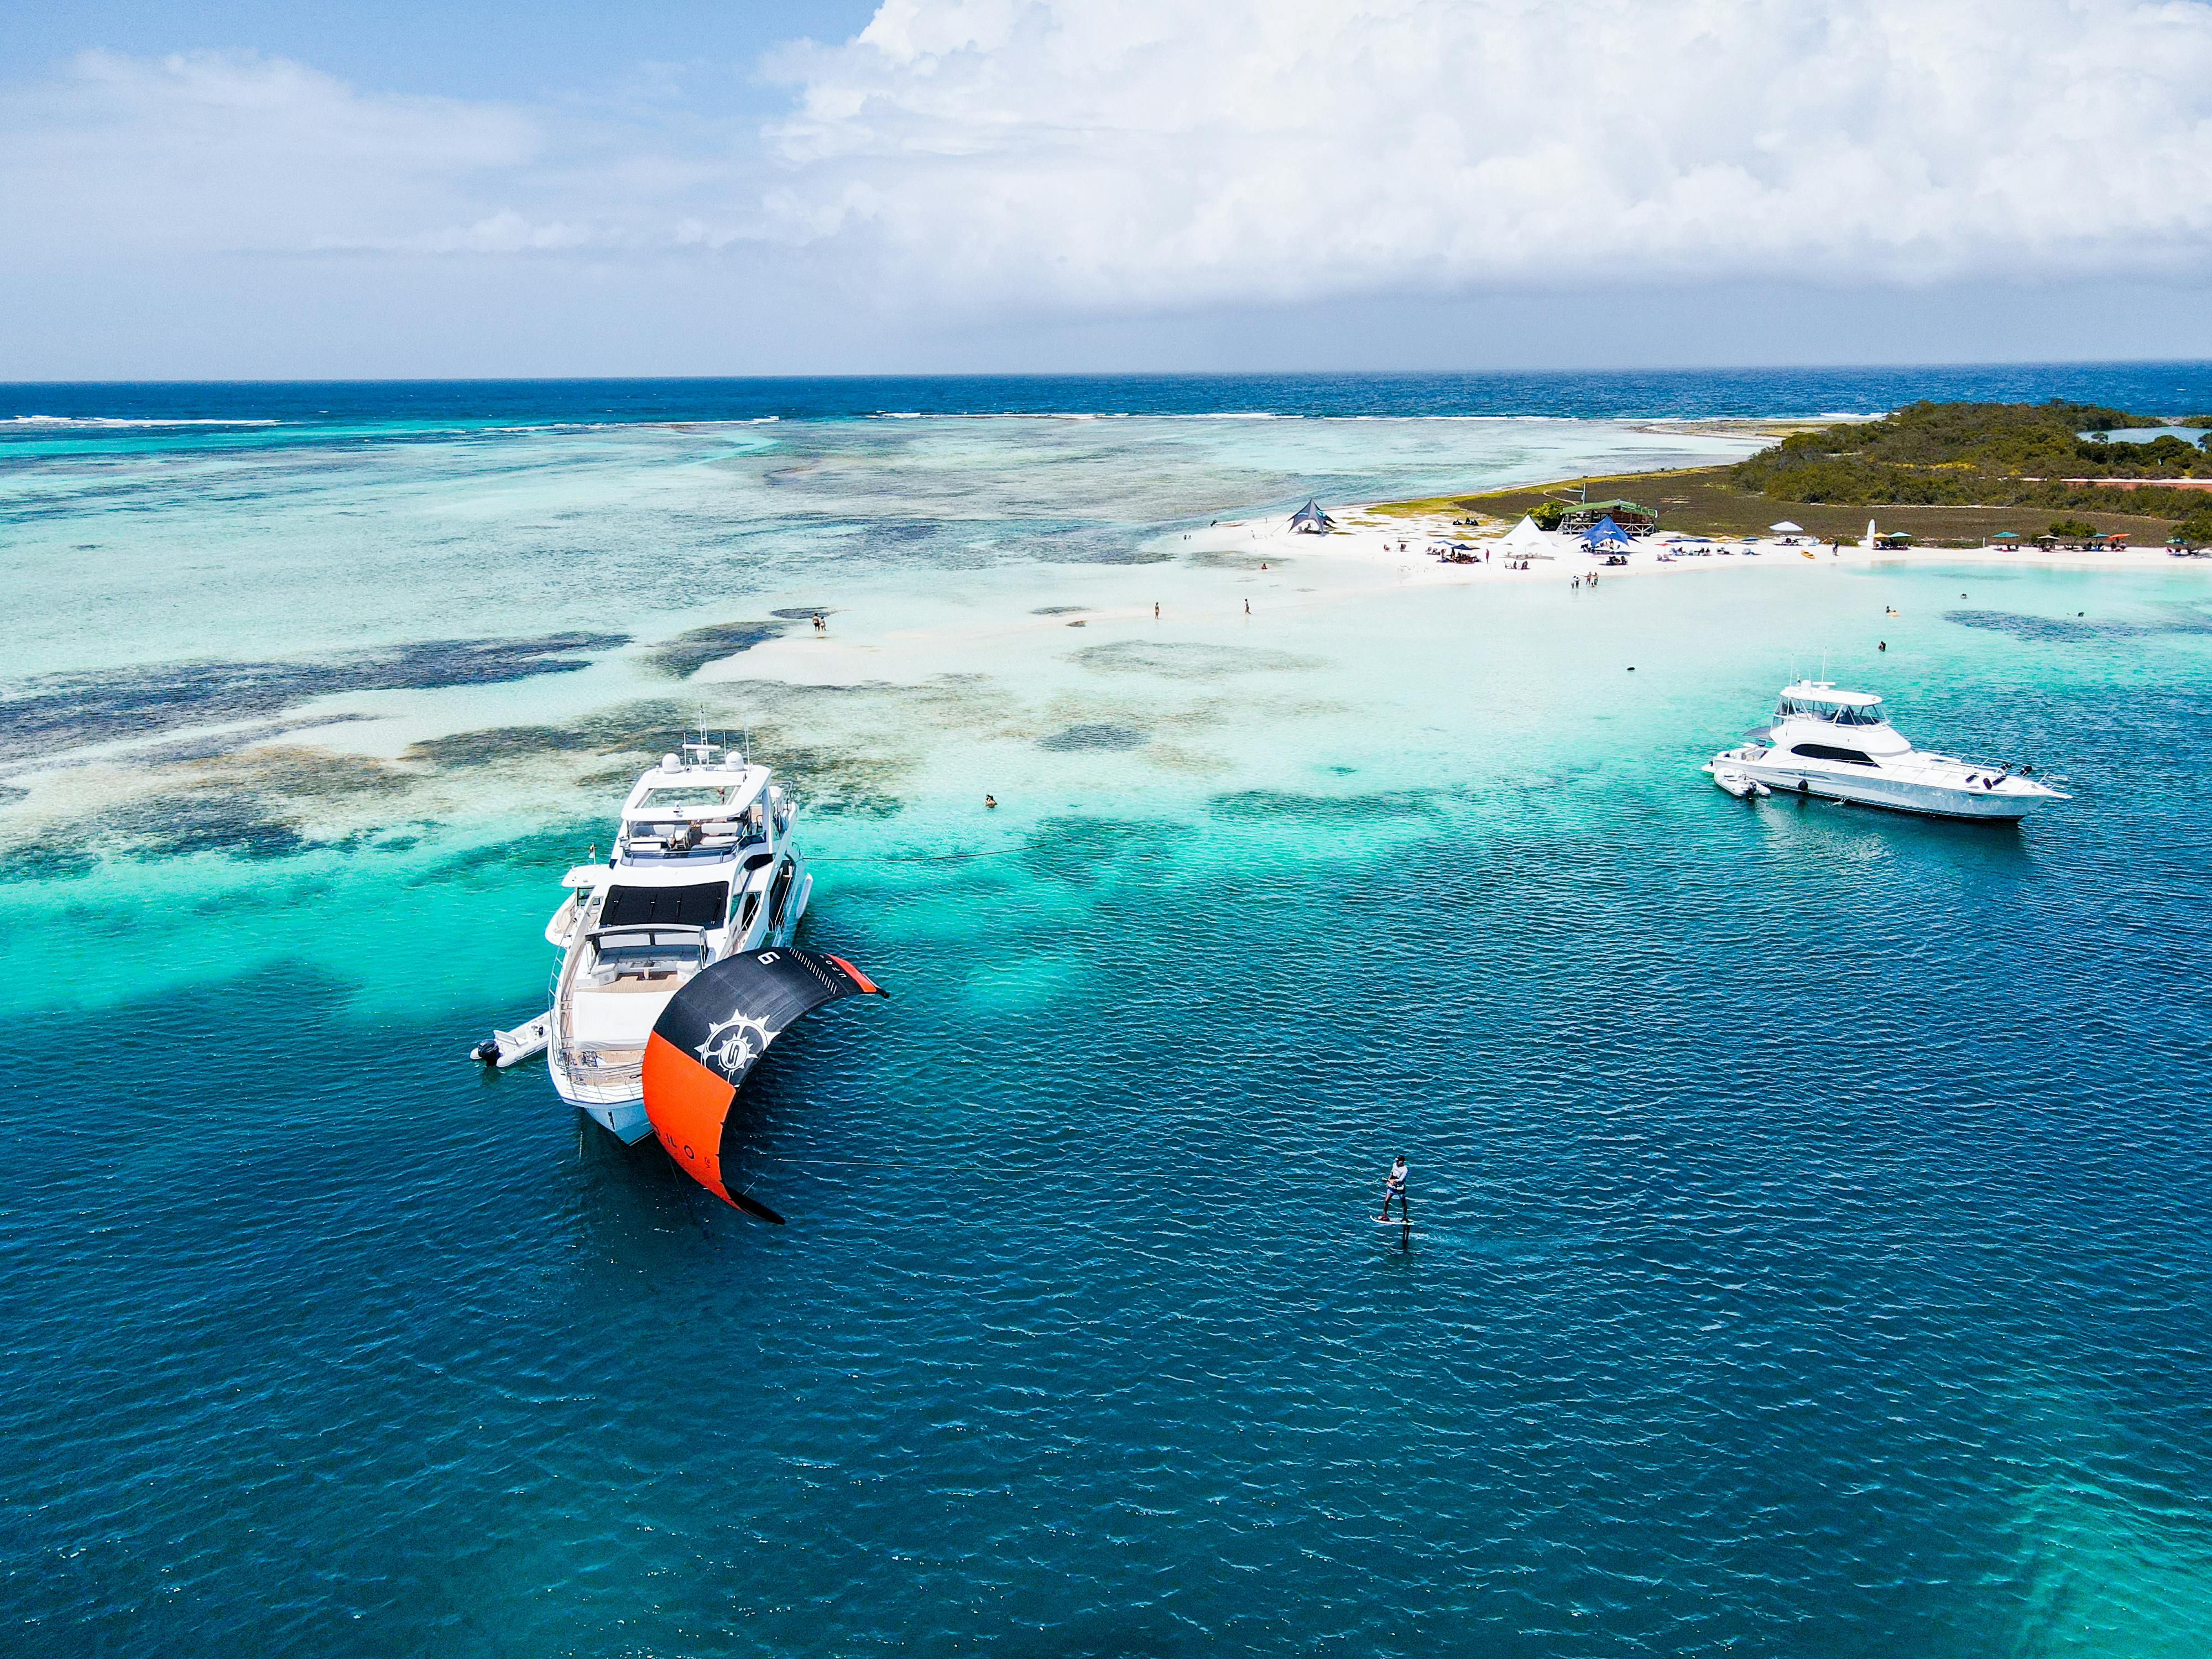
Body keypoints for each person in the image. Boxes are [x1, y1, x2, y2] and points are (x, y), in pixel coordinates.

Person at [1377, 1155, 1408, 1223]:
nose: (1397, 1162)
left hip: (1400, 1188)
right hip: (1392, 1186)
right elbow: (1391, 1173)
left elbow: (1401, 1180)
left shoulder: (1405, 1170)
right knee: (1386, 1200)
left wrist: (1393, 1181)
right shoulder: (1394, 1165)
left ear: (1402, 1161)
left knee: (1403, 1203)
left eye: (1398, 1161)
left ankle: (1405, 1218)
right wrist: (1388, 1180)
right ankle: (1384, 1215)